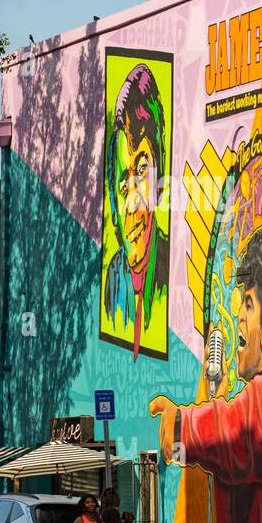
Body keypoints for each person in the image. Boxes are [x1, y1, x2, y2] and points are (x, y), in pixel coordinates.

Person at [151, 226, 262, 523]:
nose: (239, 318)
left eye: (249, 304)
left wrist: (184, 424)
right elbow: (230, 446)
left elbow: (236, 433)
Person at [102, 62, 170, 359]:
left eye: (142, 170)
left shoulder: (169, 267)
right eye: (123, 186)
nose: (132, 204)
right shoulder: (113, 279)